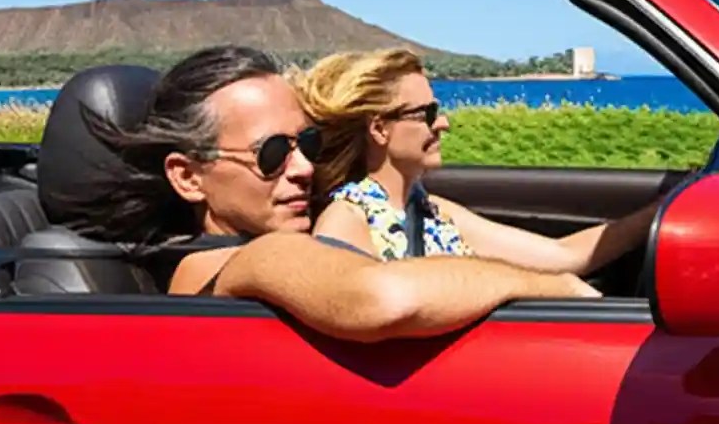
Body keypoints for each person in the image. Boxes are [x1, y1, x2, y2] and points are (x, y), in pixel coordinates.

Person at [80, 44, 599, 343]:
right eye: (271, 153)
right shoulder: (245, 260)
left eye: (307, 143)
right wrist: (559, 291)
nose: (304, 167)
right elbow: (383, 297)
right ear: (189, 177)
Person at [292, 48, 659, 276]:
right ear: (379, 129)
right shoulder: (346, 220)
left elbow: (562, 255)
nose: (444, 123)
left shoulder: (431, 210)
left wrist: (662, 211)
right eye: (428, 113)